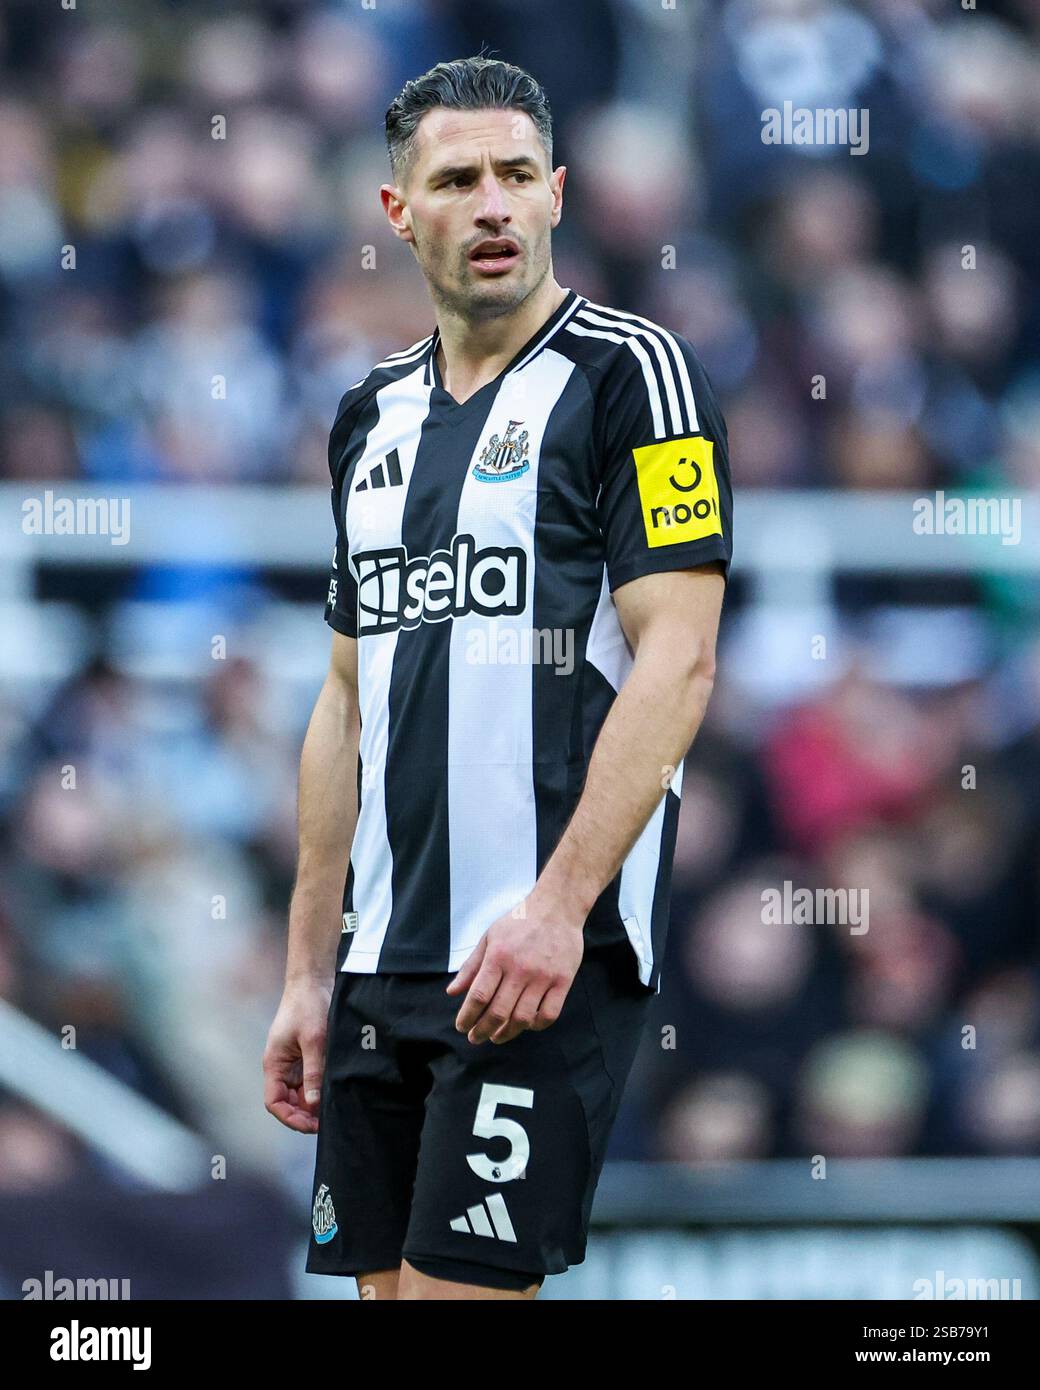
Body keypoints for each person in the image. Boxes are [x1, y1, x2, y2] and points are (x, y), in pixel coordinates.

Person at [263, 54, 732, 1301]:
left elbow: (678, 661)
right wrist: (310, 972)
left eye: (517, 176)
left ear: (559, 194)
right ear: (396, 210)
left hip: (539, 952)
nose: (492, 206)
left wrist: (558, 905)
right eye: (457, 179)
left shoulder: (632, 378)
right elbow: (344, 705)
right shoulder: (367, 419)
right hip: (380, 962)